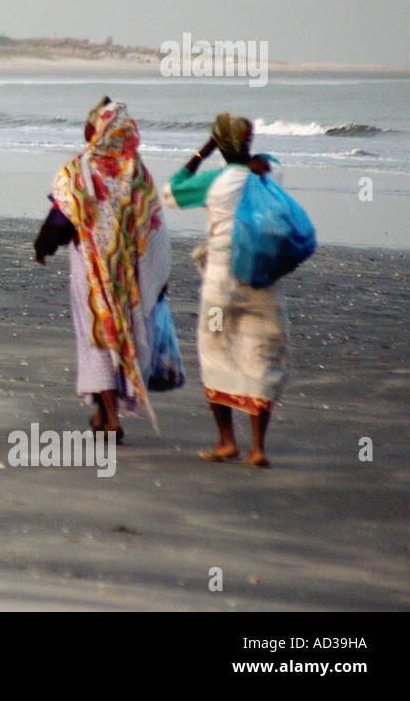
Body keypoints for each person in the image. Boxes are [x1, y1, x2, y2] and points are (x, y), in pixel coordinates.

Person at [34, 98, 170, 441]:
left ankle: (111, 418)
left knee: (98, 338)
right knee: (121, 336)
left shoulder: (80, 171)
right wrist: (157, 277)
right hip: (131, 276)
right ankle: (101, 411)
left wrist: (43, 246)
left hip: (92, 274)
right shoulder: (137, 174)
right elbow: (153, 229)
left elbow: (61, 220)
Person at [163, 113, 287, 467]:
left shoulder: (213, 182)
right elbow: (276, 163)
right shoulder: (267, 173)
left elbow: (170, 192)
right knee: (261, 353)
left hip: (219, 287)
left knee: (214, 350)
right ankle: (258, 447)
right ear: (249, 143)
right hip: (263, 283)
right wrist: (254, 156)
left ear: (218, 144)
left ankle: (226, 441)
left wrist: (201, 154)